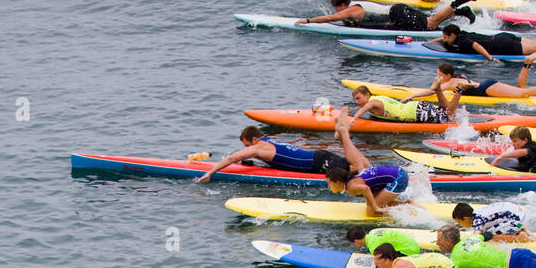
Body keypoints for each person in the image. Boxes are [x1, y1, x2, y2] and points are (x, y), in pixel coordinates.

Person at [326, 113, 410, 213]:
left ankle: (409, 209)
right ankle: (344, 135)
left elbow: (365, 189)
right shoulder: (352, 180)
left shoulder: (351, 186)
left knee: (371, 211)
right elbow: (360, 160)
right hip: (396, 173)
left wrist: (375, 208)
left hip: (399, 178)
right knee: (373, 203)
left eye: (329, 183)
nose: (328, 187)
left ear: (338, 181)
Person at [196, 126, 347, 182]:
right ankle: (341, 134)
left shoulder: (258, 147)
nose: (248, 150)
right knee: (356, 167)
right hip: (319, 157)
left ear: (254, 139)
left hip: (319, 163)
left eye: (247, 145)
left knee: (354, 174)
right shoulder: (268, 142)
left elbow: (232, 157)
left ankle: (341, 133)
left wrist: (209, 173)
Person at [294, 0, 463, 32]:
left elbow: (329, 18)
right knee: (432, 22)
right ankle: (458, 12)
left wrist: (307, 21)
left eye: (336, 8)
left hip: (397, 14)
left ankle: (456, 5)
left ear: (341, 6)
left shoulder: (351, 10)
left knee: (431, 24)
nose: (337, 11)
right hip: (398, 10)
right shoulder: (356, 5)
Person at [424, 58, 536, 101]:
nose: (438, 78)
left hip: (487, 88)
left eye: (440, 75)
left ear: (448, 75)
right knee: (522, 90)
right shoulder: (457, 77)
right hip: (488, 86)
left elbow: (433, 90)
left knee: (524, 93)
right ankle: (526, 64)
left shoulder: (450, 82)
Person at [437, 21, 536, 62]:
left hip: (501, 45)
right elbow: (444, 37)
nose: (444, 40)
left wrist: (490, 58)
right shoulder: (461, 33)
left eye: (445, 37)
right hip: (501, 36)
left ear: (453, 35)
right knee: (535, 43)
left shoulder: (462, 41)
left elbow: (476, 46)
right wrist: (433, 40)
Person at [348, 77, 462, 127]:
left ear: (367, 95)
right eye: (355, 100)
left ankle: (460, 90)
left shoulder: (373, 102)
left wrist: (353, 119)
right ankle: (437, 89)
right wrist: (411, 96)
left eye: (358, 98)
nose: (357, 102)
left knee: (450, 116)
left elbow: (365, 107)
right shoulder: (380, 97)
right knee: (445, 110)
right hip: (416, 107)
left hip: (415, 113)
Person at [450, 201, 531, 241]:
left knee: (488, 235)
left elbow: (477, 236)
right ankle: (523, 230)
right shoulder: (478, 212)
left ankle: (519, 237)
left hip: (518, 222)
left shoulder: (477, 219)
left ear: (466, 218)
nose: (460, 225)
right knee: (490, 230)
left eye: (459, 222)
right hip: (522, 217)